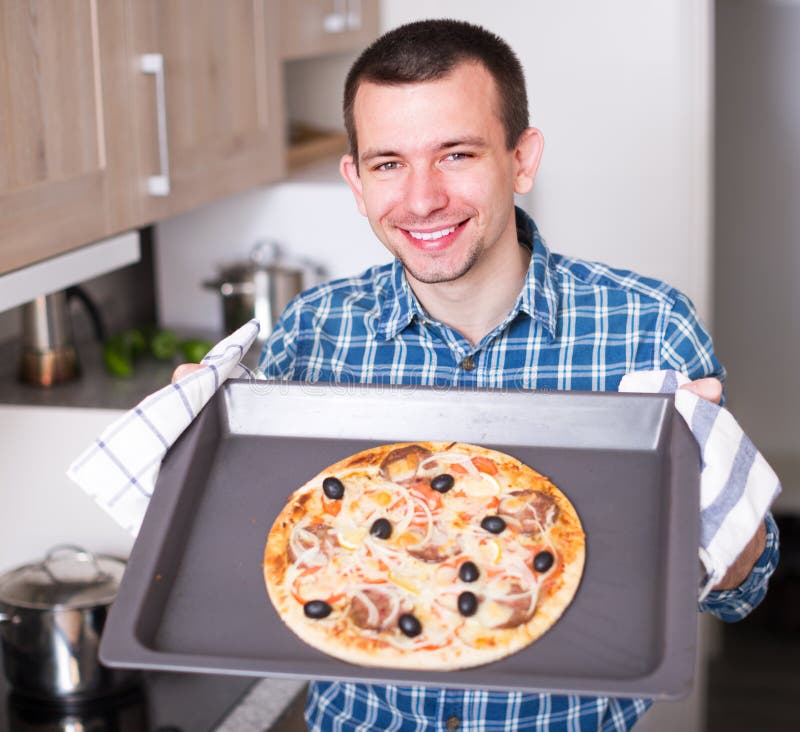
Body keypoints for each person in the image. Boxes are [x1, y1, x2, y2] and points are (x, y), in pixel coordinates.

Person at [175, 18, 778, 731]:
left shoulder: (649, 330)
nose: (422, 198)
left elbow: (737, 595)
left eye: (455, 154)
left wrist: (717, 506)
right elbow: (275, 559)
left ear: (522, 160)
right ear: (356, 180)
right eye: (388, 163)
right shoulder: (314, 333)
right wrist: (195, 470)